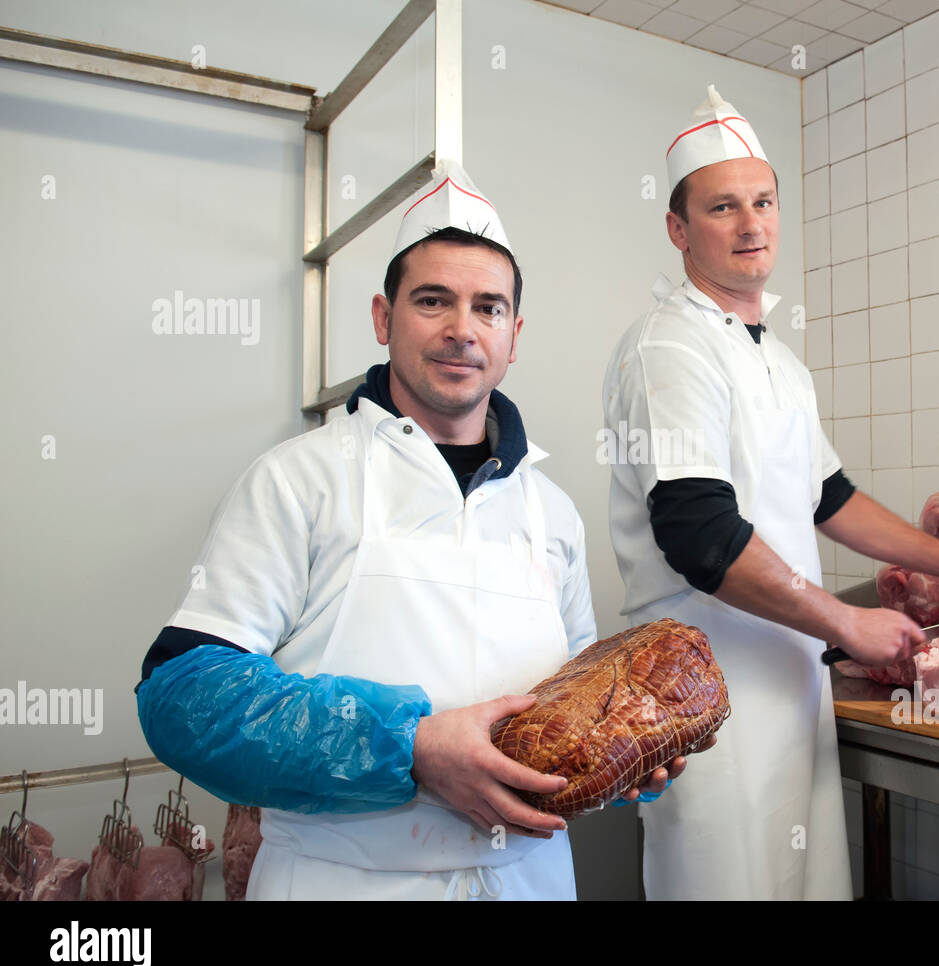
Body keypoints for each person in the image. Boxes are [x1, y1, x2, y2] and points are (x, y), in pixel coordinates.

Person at [136, 160, 684, 900]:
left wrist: (622, 757)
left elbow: (576, 701)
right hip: (341, 883)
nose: (463, 330)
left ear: (513, 335)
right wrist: (410, 746)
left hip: (530, 879)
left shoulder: (550, 511)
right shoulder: (298, 480)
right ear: (381, 316)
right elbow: (183, 698)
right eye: (433, 301)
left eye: (488, 308)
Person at [603, 87, 939, 900]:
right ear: (678, 229)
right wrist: (846, 620)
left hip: (791, 684)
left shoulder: (780, 361)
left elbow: (828, 497)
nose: (750, 223)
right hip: (707, 702)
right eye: (722, 207)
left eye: (762, 202)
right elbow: (696, 533)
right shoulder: (670, 347)